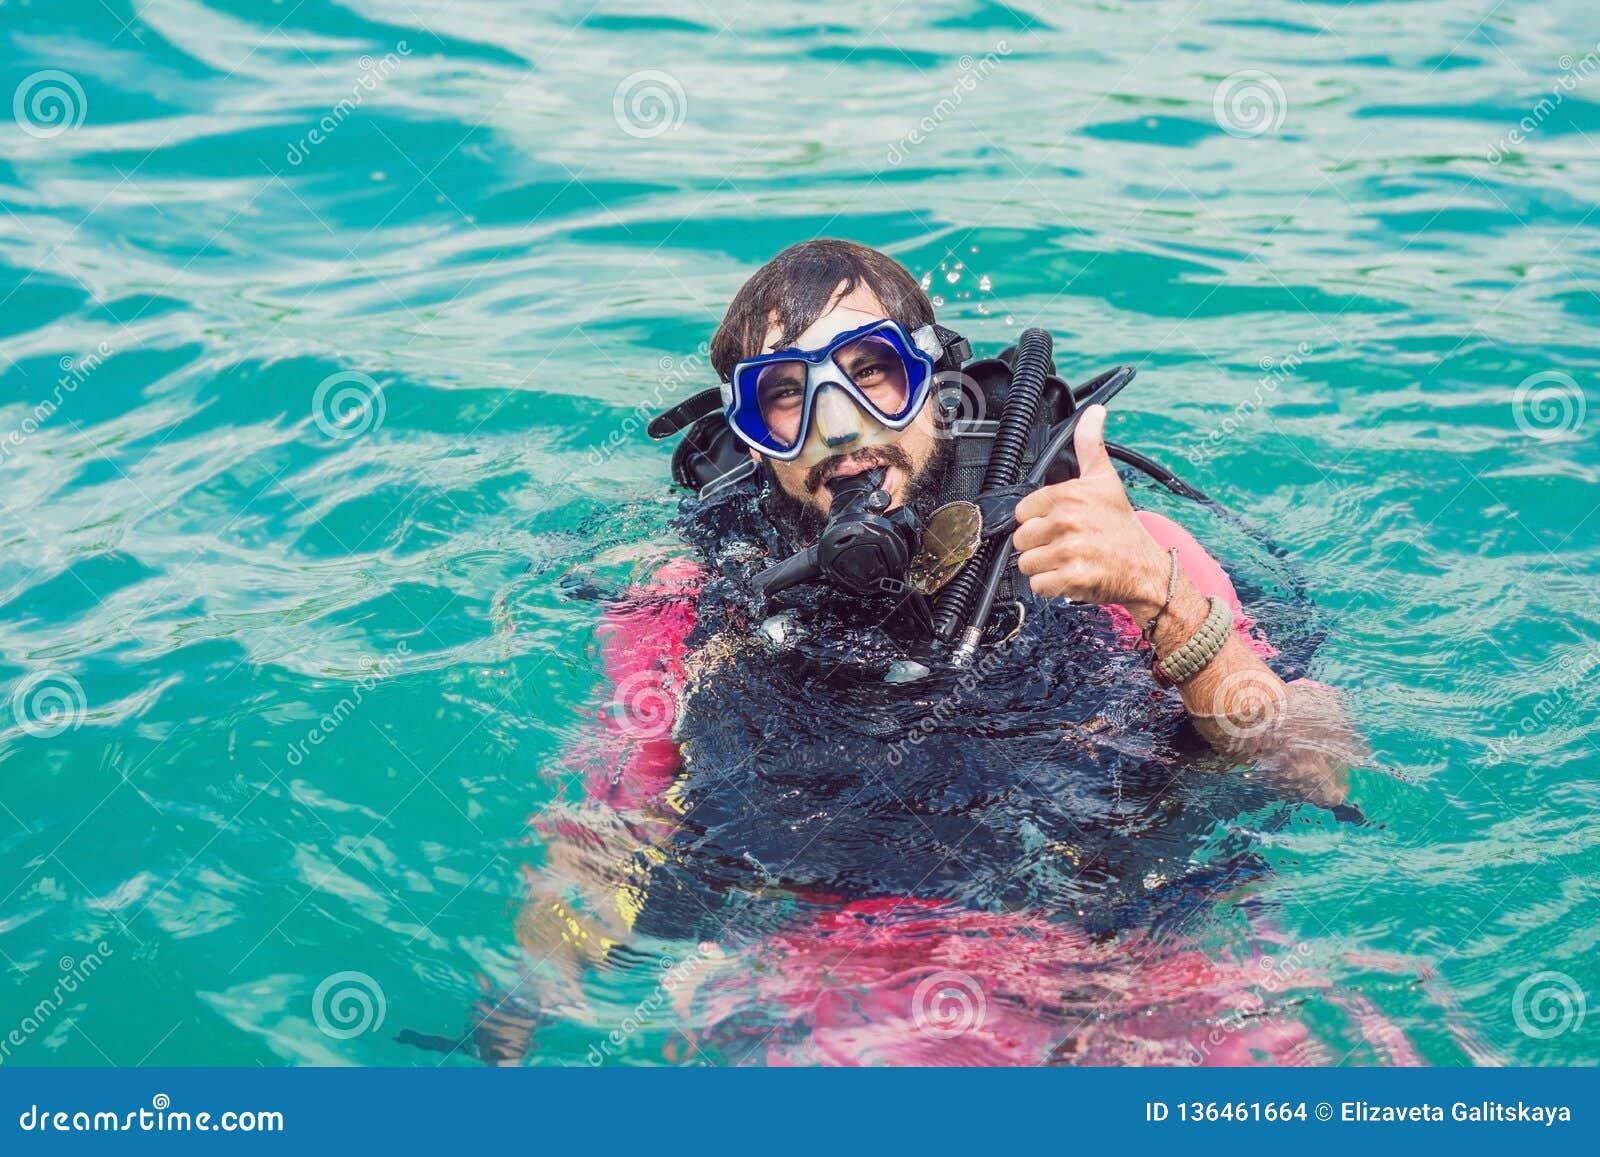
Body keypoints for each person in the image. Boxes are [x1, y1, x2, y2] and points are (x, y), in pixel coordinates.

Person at [486, 239, 1390, 1067]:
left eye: (872, 371)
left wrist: (1164, 598)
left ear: (935, 382)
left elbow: (1317, 769)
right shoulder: (692, 609)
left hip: (1143, 941)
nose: (840, 429)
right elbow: (612, 831)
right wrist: (523, 1000)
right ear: (752, 442)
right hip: (852, 972)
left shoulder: (1118, 550)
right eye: (787, 396)